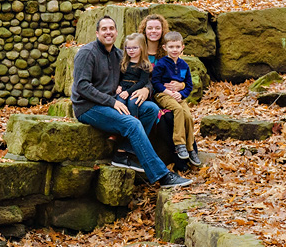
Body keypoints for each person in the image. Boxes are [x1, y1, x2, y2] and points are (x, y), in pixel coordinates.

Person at [71, 15, 192, 188]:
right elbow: (82, 86)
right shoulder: (87, 53)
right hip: (89, 107)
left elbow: (143, 76)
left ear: (117, 32)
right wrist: (112, 102)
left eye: (111, 28)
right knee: (132, 124)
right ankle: (162, 175)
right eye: (104, 29)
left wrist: (145, 89)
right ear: (97, 32)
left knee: (150, 109)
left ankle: (123, 154)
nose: (108, 32)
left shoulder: (120, 55)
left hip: (114, 102)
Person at [151, 31, 201, 166]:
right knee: (178, 110)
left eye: (177, 47)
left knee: (188, 116)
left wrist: (182, 94)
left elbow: (189, 85)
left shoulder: (184, 65)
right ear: (165, 48)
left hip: (178, 97)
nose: (174, 50)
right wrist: (168, 92)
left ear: (182, 47)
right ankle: (180, 144)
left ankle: (190, 149)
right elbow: (155, 82)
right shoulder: (161, 63)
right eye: (171, 47)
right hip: (163, 95)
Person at [115, 32, 153, 118]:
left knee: (133, 103)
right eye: (128, 48)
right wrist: (118, 86)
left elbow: (143, 82)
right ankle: (123, 121)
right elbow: (120, 77)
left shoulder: (144, 64)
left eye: (135, 48)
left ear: (142, 48)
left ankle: (134, 120)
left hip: (135, 89)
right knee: (120, 102)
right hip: (123, 88)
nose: (131, 50)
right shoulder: (124, 62)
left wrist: (128, 92)